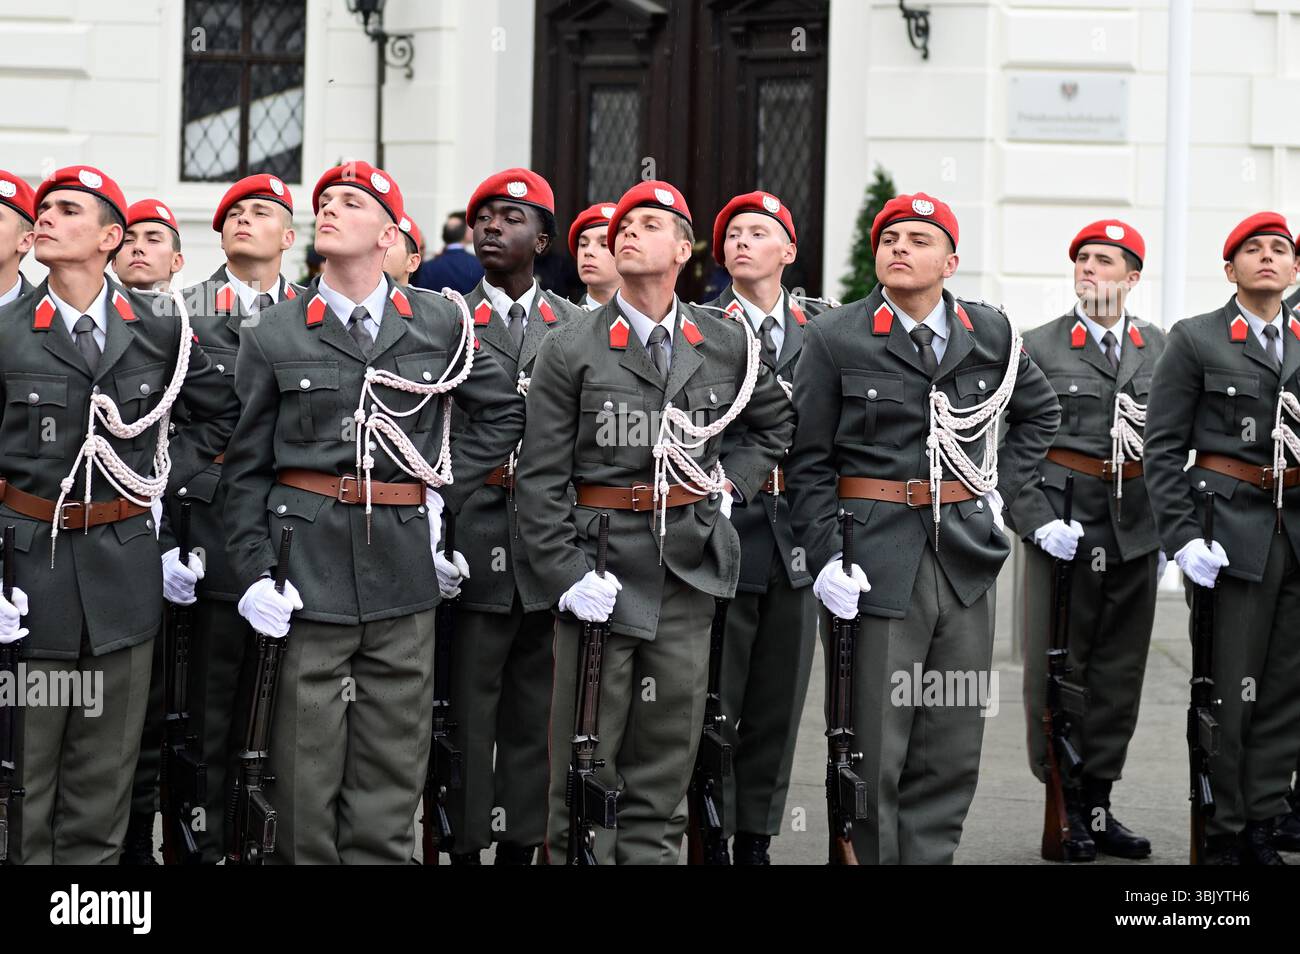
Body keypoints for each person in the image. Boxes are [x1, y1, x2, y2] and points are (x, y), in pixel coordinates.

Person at [219, 161, 524, 863]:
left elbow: (503, 411)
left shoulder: (441, 322)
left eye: (350, 202)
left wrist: (437, 482)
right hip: (307, 574)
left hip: (400, 569)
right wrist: (258, 571)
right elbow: (245, 471)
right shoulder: (276, 333)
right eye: (324, 200)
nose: (329, 208)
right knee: (303, 778)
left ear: (388, 235)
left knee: (391, 777)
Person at [516, 179, 795, 864]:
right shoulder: (572, 345)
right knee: (585, 761)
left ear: (682, 247)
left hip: (686, 568)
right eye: (622, 227)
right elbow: (541, 478)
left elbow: (774, 421)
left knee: (667, 760)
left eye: (648, 223)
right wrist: (565, 575)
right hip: (602, 567)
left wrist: (729, 481)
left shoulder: (723, 342)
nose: (627, 234)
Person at [786, 191, 1060, 864]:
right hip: (875, 555)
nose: (899, 248)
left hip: (964, 557)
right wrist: (824, 555)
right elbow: (807, 458)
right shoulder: (837, 336)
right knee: (874, 744)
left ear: (950, 260)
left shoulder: (991, 333)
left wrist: (998, 492)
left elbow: (1040, 412)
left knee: (952, 738)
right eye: (889, 239)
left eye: (917, 239)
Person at [0, 164, 238, 863]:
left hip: (123, 570)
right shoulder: (10, 330)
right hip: (29, 570)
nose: (46, 218)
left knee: (103, 782)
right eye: (43, 209)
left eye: (68, 210)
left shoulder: (159, 331)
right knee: (25, 781)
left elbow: (219, 414)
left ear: (109, 237)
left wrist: (158, 482)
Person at [1145, 211, 1300, 865]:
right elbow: (1161, 449)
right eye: (1252, 250)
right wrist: (1182, 539)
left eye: (1280, 250)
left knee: (1286, 690)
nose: (1267, 257)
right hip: (1230, 536)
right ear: (1230, 268)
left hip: (1294, 533)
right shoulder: (1197, 339)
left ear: (1295, 270)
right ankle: (1226, 826)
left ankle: (1267, 815)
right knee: (1230, 687)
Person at [439, 168, 583, 865]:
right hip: (474, 535)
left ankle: (523, 846)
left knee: (536, 717)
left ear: (544, 238)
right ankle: (465, 846)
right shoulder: (444, 318)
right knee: (468, 714)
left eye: (511, 217)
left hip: (549, 547)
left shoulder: (577, 326)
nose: (493, 227)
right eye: (484, 217)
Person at [1010, 219, 1166, 862]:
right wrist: (1035, 517)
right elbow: (1009, 445)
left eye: (1105, 260)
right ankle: (1064, 802)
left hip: (1136, 525)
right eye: (1082, 259)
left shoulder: (1161, 348)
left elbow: (1173, 439)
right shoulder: (1038, 346)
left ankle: (1099, 802)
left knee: (1119, 670)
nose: (1089, 269)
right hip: (1064, 524)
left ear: (1131, 278)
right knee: (1057, 669)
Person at [701, 190, 813, 864]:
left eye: (759, 232)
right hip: (725, 526)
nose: (743, 242)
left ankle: (757, 836)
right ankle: (709, 822)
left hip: (798, 533)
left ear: (788, 251)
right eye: (734, 233)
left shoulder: (820, 331)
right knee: (718, 691)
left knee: (779, 695)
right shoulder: (700, 326)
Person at [112, 199, 184, 292]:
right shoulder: (93, 306)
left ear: (176, 261)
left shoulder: (194, 305)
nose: (138, 247)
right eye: (128, 240)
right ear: (114, 262)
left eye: (153, 240)